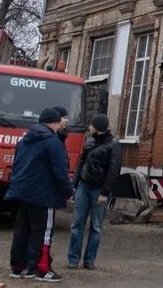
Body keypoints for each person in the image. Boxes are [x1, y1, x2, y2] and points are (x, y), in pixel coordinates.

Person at [7, 107, 73, 282]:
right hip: (44, 195)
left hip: (23, 192)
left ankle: (18, 266)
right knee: (43, 232)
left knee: (22, 230)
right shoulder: (52, 142)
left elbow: (17, 166)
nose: (62, 123)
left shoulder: (24, 141)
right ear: (52, 123)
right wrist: (68, 191)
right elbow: (60, 172)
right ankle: (42, 268)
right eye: (60, 120)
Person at [67, 114, 122, 270]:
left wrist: (105, 192)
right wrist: (74, 185)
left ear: (97, 127)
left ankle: (89, 260)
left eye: (91, 125)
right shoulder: (89, 142)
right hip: (84, 186)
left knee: (96, 226)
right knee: (77, 224)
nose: (89, 128)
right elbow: (81, 163)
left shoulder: (114, 145)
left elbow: (113, 171)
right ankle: (73, 259)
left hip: (99, 190)